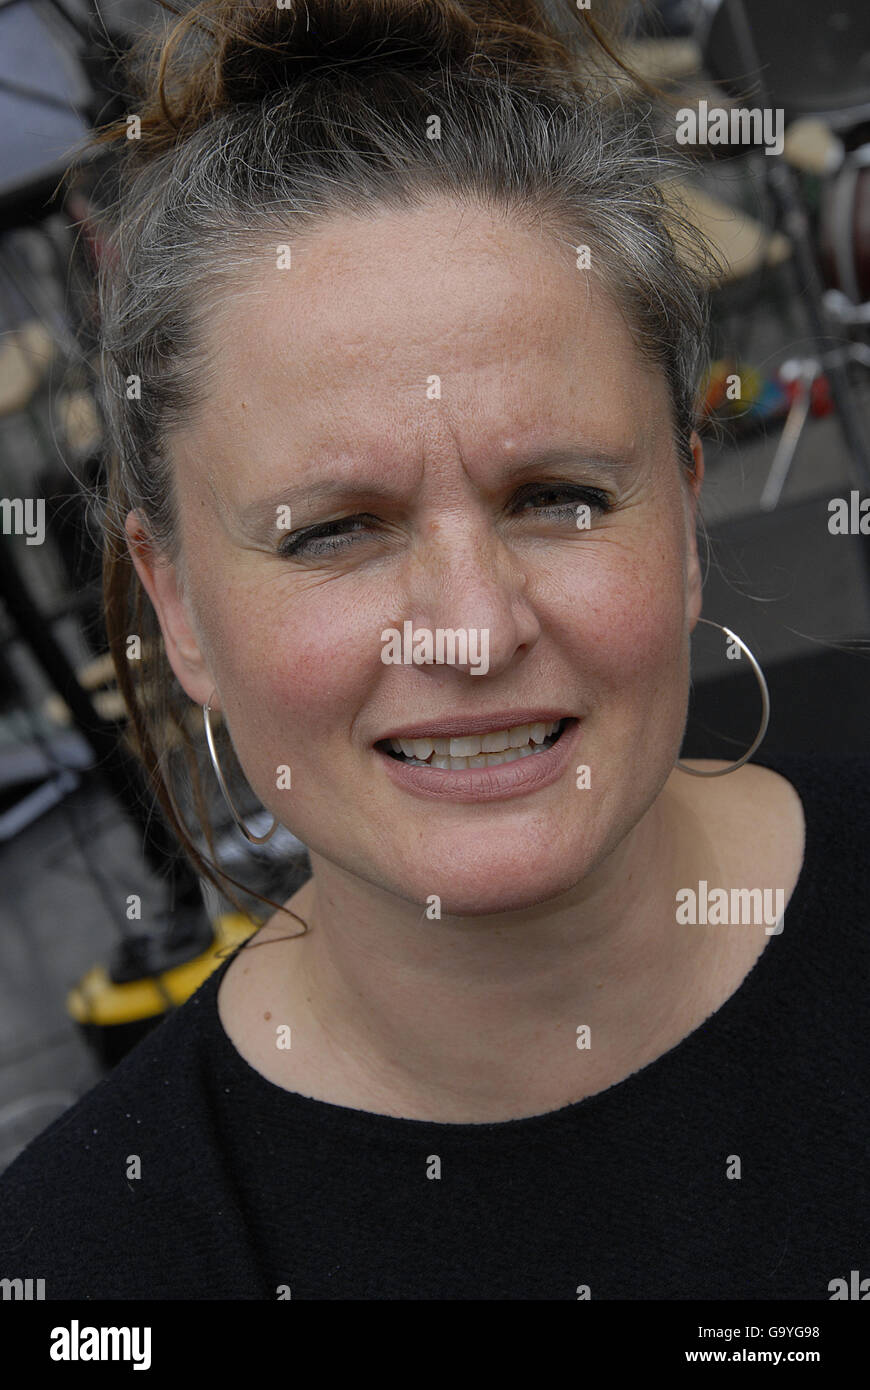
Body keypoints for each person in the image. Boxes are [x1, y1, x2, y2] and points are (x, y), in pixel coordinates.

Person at [0, 0, 866, 1301]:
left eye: (554, 495)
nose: (471, 626)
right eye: (336, 529)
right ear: (174, 601)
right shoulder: (85, 1268)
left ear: (685, 517)